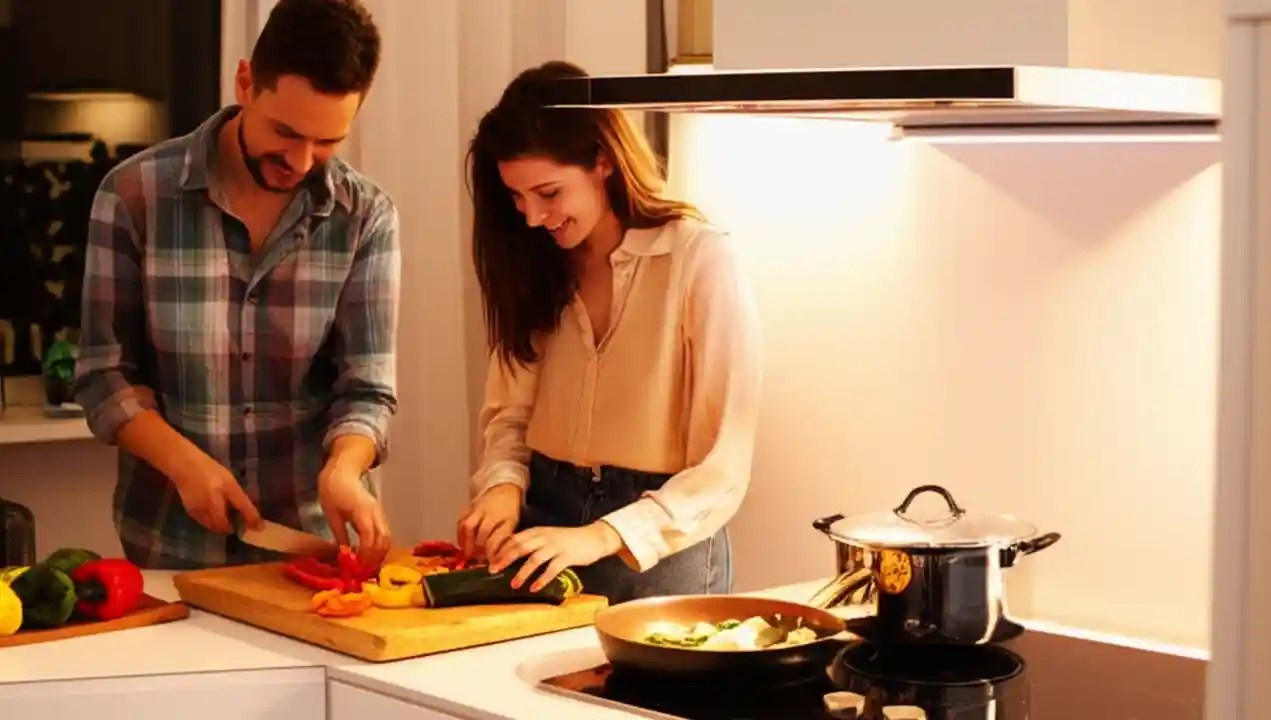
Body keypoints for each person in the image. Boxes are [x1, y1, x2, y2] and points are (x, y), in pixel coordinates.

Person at [73, 0, 398, 571]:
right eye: (285, 132)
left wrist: (346, 466)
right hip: (168, 547)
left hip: (310, 553)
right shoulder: (133, 196)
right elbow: (104, 374)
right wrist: (182, 462)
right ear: (246, 82)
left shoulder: (366, 215)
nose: (300, 161)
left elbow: (366, 388)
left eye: (327, 142)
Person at [456, 60, 764, 604]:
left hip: (658, 545)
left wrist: (602, 535)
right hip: (544, 522)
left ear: (603, 161)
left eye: (548, 193)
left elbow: (724, 464)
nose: (531, 218)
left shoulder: (699, 258)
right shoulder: (535, 265)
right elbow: (511, 415)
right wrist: (503, 487)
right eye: (517, 198)